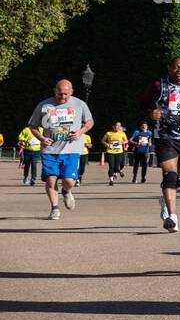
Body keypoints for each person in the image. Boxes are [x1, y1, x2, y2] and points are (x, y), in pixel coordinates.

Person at [141, 56, 180, 232]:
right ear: (169, 69)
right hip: (165, 136)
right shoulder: (159, 86)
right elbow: (142, 103)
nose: (179, 70)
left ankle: (164, 200)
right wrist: (151, 112)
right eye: (176, 67)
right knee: (169, 175)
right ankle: (172, 216)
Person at [27, 79, 94, 220]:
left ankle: (66, 191)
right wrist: (42, 138)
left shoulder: (80, 104)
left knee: (69, 180)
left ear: (71, 92)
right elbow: (32, 126)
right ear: (54, 91)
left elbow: (90, 121)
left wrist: (80, 132)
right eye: (59, 94)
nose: (62, 97)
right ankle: (55, 208)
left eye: (65, 94)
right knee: (51, 180)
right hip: (50, 150)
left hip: (71, 149)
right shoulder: (44, 105)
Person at [101, 121, 128, 186]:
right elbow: (102, 140)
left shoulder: (122, 133)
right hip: (110, 152)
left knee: (117, 166)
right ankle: (111, 180)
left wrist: (122, 142)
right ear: (113, 126)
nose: (117, 127)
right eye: (116, 125)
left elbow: (126, 140)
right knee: (111, 166)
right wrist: (106, 144)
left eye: (119, 126)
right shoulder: (108, 133)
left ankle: (118, 171)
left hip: (119, 152)